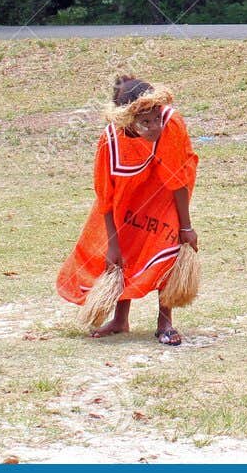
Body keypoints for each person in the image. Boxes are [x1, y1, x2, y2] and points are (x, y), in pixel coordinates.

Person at [57, 75, 199, 345]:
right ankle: (121, 319)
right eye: (146, 123)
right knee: (125, 249)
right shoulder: (109, 141)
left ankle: (165, 323)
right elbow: (106, 197)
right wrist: (112, 244)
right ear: (127, 120)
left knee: (165, 245)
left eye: (157, 117)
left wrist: (185, 227)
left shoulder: (171, 125)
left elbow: (177, 180)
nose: (155, 126)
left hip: (167, 190)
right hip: (127, 192)